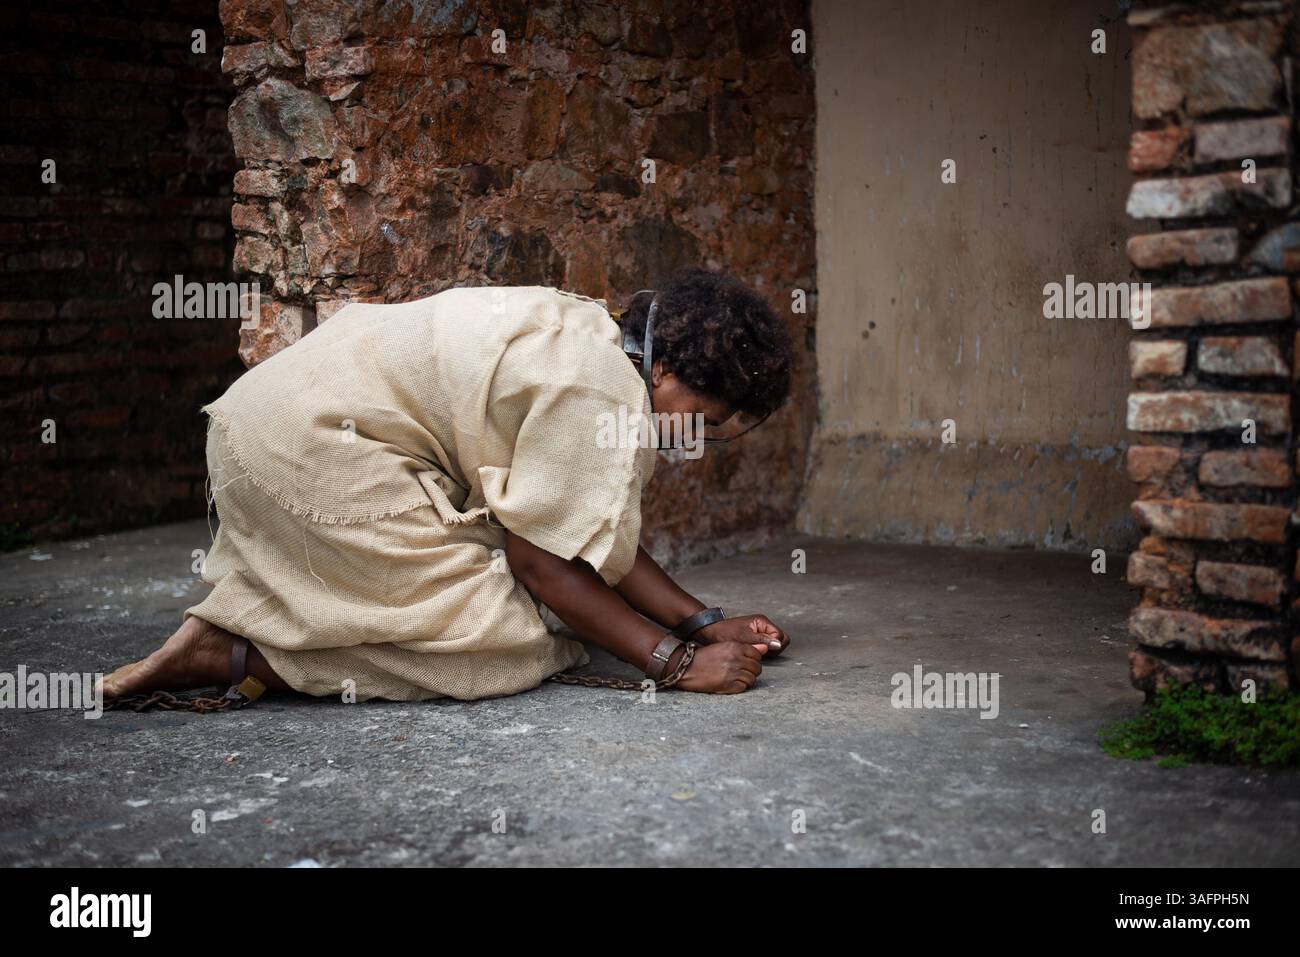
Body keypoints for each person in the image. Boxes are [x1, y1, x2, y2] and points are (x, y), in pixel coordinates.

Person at [99, 267, 795, 704]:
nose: (694, 438)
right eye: (701, 419)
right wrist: (673, 664)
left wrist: (699, 621)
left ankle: (260, 626)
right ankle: (235, 654)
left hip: (271, 425)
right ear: (668, 370)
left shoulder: (599, 336)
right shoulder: (606, 393)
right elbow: (543, 562)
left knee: (528, 600)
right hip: (309, 451)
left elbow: (585, 531)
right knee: (509, 636)